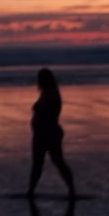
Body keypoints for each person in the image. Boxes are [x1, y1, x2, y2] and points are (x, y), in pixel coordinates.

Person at [28, 67, 75, 198]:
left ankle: (71, 189)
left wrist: (37, 109)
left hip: (49, 134)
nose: (39, 80)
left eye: (41, 78)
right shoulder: (46, 92)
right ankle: (31, 190)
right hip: (40, 134)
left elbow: (50, 113)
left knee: (57, 161)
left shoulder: (52, 93)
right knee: (38, 163)